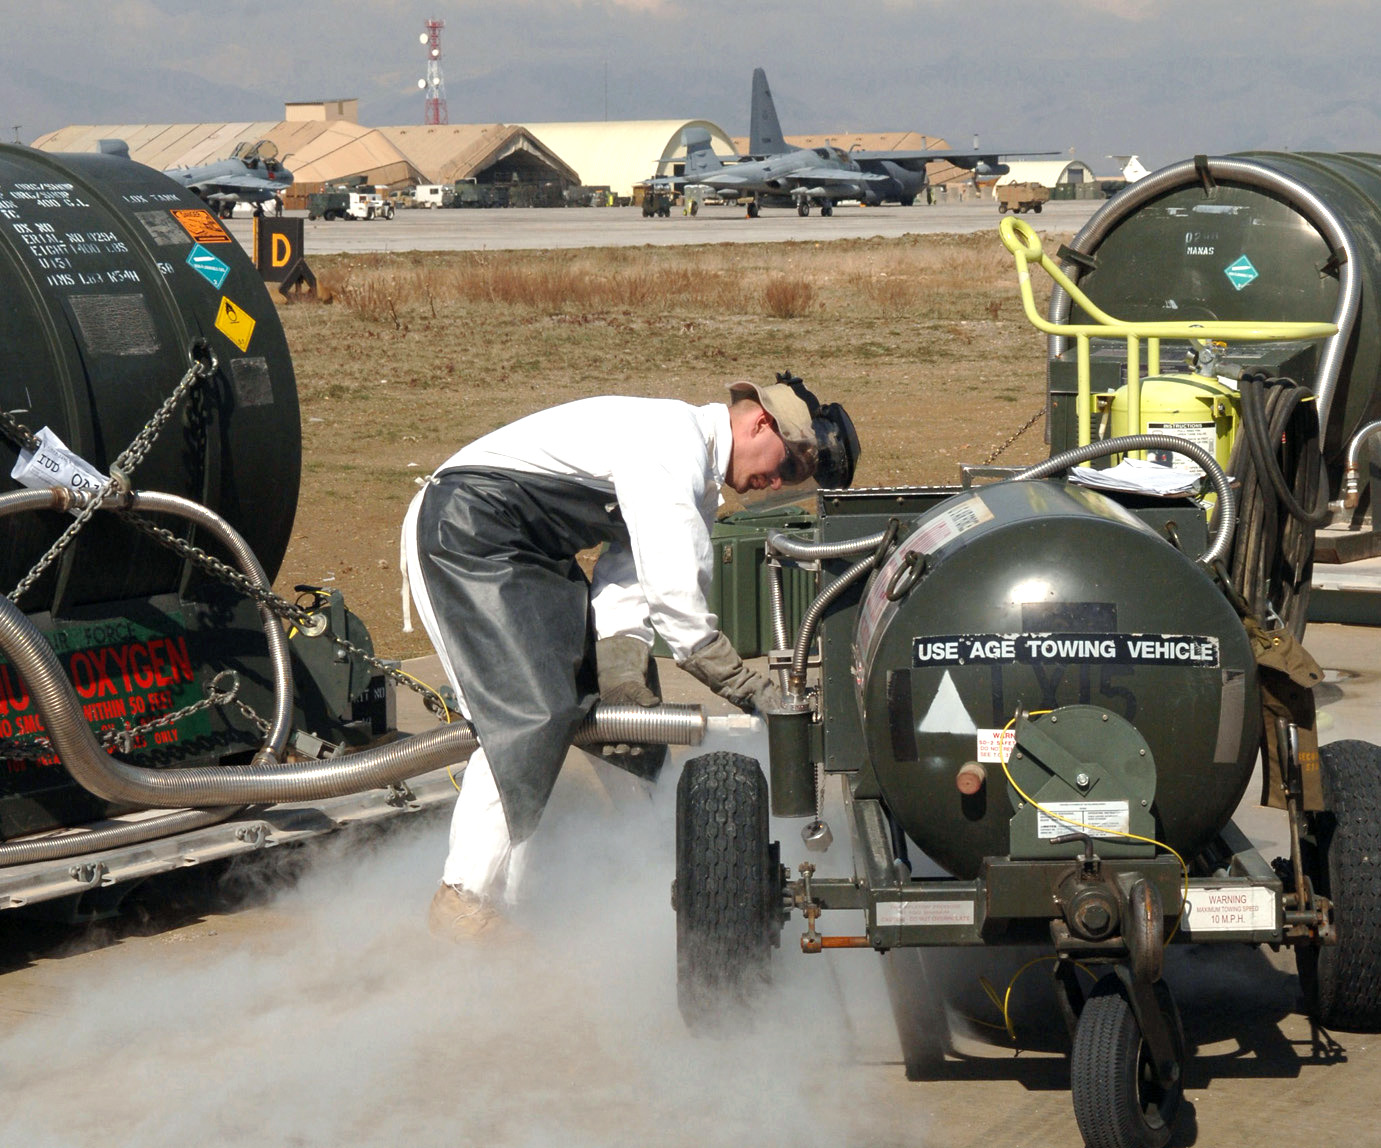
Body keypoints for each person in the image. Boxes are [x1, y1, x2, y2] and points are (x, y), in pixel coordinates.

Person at [401, 376, 859, 940]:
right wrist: (750, 688)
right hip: (466, 530)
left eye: (793, 479)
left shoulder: (690, 472)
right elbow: (678, 610)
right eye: (787, 465)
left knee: (625, 731)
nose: (775, 483)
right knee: (531, 712)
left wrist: (620, 677)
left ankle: (591, 883)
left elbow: (627, 579)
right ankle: (463, 899)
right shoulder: (675, 444)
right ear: (759, 422)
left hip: (525, 550)